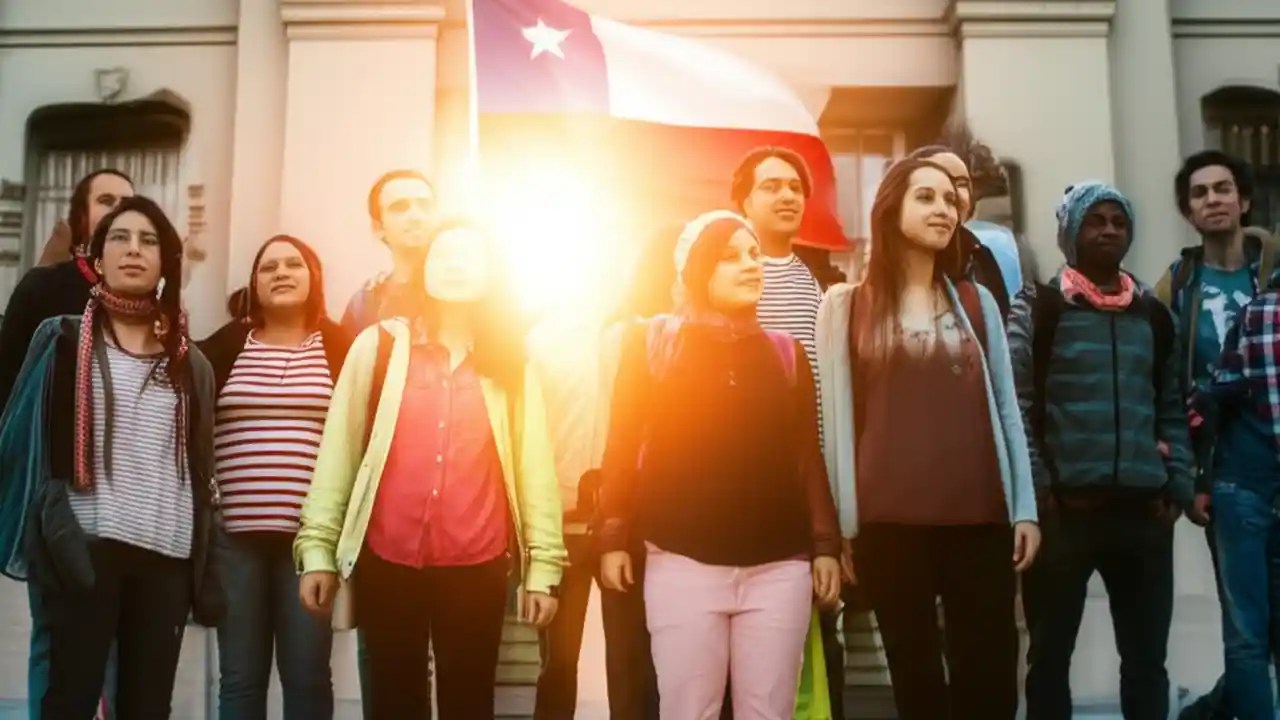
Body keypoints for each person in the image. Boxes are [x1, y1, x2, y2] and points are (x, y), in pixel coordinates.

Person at [294, 219, 565, 720]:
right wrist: (317, 550)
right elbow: (339, 455)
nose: (456, 265)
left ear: (492, 275)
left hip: (477, 562)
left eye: (470, 255)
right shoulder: (377, 348)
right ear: (424, 271)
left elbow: (535, 470)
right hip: (388, 558)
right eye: (443, 255)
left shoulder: (510, 363)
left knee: (469, 702)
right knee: (395, 702)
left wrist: (543, 569)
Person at [816, 157, 1039, 720]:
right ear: (892, 208)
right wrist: (842, 528)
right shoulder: (844, 306)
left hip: (980, 518)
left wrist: (1025, 508)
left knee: (988, 680)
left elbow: (1008, 412)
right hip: (888, 525)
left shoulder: (976, 302)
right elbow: (836, 420)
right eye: (926, 197)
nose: (944, 209)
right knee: (916, 683)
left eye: (949, 199)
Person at [598, 210, 842, 720]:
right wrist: (613, 535)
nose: (751, 265)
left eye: (754, 254)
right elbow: (622, 443)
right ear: (695, 269)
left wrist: (824, 546)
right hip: (681, 560)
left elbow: (806, 455)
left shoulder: (787, 354)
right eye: (730, 257)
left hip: (780, 568)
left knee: (768, 714)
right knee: (689, 712)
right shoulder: (650, 346)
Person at [1, 196, 224, 716]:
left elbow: (199, 464)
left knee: (148, 707)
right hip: (85, 548)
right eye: (119, 238)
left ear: (166, 262)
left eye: (149, 241)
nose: (133, 250)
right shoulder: (63, 340)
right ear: (97, 260)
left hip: (165, 555)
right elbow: (25, 443)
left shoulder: (192, 364)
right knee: (70, 700)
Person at [1013, 182, 1198, 720]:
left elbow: (1171, 407)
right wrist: (1040, 493)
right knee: (1049, 660)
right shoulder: (1040, 307)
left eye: (1119, 220)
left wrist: (1176, 486)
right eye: (1096, 220)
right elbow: (1019, 405)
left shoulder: (1153, 316)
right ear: (1070, 232)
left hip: (1143, 517)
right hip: (1064, 517)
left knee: (1146, 664)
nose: (1110, 230)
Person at [0, 168, 134, 720]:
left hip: (131, 497)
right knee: (54, 637)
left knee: (124, 643)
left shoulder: (152, 298)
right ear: (82, 217)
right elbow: (7, 389)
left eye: (130, 202)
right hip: (54, 494)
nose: (120, 209)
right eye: (107, 200)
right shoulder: (44, 287)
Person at [200, 235, 353, 719]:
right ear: (254, 283)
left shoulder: (341, 347)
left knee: (307, 676)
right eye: (269, 267)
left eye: (293, 264)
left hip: (311, 545)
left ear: (314, 278)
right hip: (233, 539)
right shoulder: (225, 345)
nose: (281, 273)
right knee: (240, 679)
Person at [527, 228, 675, 720]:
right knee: (558, 661)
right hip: (560, 522)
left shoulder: (645, 334)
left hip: (626, 522)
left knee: (631, 659)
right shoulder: (539, 338)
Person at [1157, 151, 1280, 720]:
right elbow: (1165, 388)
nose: (1214, 199)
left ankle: (1208, 712)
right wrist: (1188, 475)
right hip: (1228, 476)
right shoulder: (1178, 286)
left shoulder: (1273, 272)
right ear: (1189, 211)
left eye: (1223, 188)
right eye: (1200, 193)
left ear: (1244, 200)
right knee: (1247, 628)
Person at [731, 146, 846, 716]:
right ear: (743, 202)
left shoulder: (825, 282)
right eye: (770, 186)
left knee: (817, 647)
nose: (786, 196)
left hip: (811, 493)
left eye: (795, 187)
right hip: (738, 496)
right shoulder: (722, 283)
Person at [1193, 279, 1280, 720]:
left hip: (1242, 482)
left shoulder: (1257, 313)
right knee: (1250, 634)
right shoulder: (1261, 313)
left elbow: (1214, 394)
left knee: (1246, 634)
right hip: (1245, 483)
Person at [907, 143, 1015, 319]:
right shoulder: (888, 267)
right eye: (940, 179)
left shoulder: (981, 256)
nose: (953, 192)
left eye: (962, 183)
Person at [341, 169, 438, 335]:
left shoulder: (471, 287)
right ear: (378, 227)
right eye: (399, 207)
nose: (416, 216)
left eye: (425, 206)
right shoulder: (363, 305)